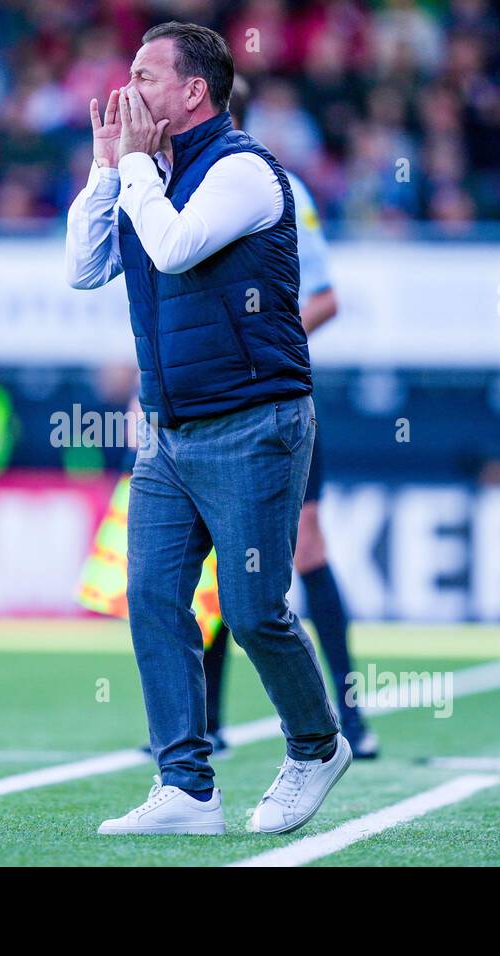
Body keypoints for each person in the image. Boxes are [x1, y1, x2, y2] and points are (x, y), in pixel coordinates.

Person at [66, 22, 349, 837]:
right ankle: (186, 787)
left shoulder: (248, 173)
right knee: (154, 597)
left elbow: (179, 246)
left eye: (145, 76)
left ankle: (316, 745)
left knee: (256, 609)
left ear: (194, 91)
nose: (127, 92)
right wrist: (103, 168)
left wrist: (131, 172)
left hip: (255, 421)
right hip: (169, 429)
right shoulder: (142, 174)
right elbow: (83, 268)